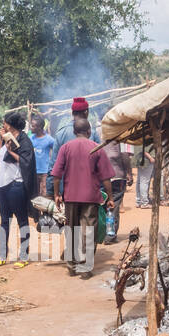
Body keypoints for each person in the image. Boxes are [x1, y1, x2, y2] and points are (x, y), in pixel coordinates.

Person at [51, 115, 114, 279]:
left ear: (74, 131)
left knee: (71, 230)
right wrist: (111, 198)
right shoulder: (96, 147)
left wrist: (57, 194)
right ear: (89, 131)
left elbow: (56, 175)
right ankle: (85, 268)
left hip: (70, 196)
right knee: (88, 232)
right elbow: (106, 177)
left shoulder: (65, 148)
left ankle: (72, 266)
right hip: (90, 197)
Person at [0, 112, 36, 267]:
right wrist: (1, 140)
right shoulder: (6, 138)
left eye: (4, 123)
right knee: (4, 220)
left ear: (10, 124)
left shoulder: (25, 141)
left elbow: (26, 162)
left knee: (22, 221)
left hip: (16, 185)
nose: (3, 125)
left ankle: (24, 256)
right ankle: (2, 255)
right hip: (2, 185)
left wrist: (11, 151)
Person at [30, 115, 57, 198]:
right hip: (34, 170)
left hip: (45, 171)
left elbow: (57, 149)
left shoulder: (49, 139)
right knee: (35, 194)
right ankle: (36, 211)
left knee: (45, 192)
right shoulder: (31, 138)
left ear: (40, 127)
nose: (31, 127)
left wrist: (53, 163)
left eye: (33, 126)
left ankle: (45, 211)